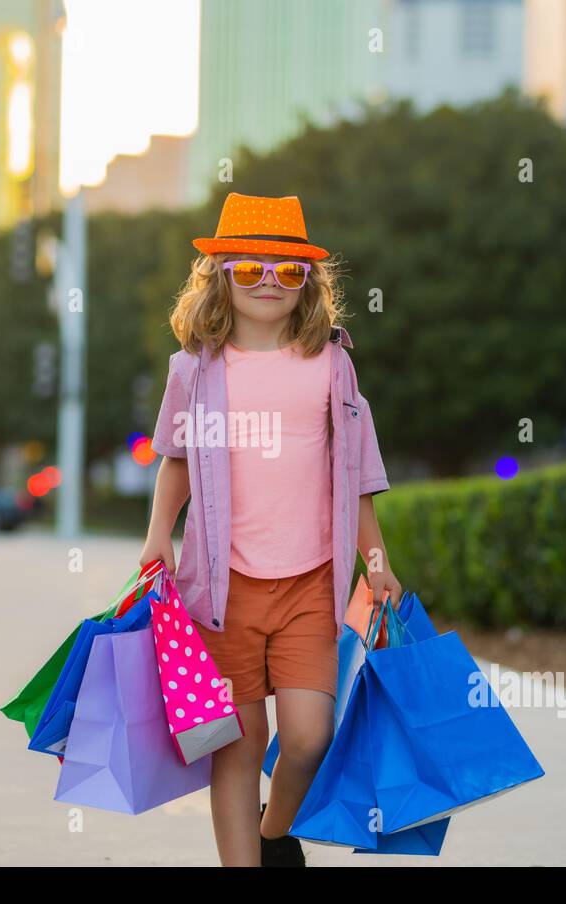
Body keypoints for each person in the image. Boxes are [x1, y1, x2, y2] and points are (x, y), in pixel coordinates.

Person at [139, 192, 402, 866]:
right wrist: (156, 538)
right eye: (249, 268)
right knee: (237, 740)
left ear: (308, 284)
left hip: (311, 584)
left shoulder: (332, 365)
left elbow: (358, 478)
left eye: (287, 272)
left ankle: (272, 833)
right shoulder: (193, 372)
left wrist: (377, 562)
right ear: (220, 274)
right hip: (220, 586)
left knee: (310, 737)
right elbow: (176, 462)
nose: (267, 283)